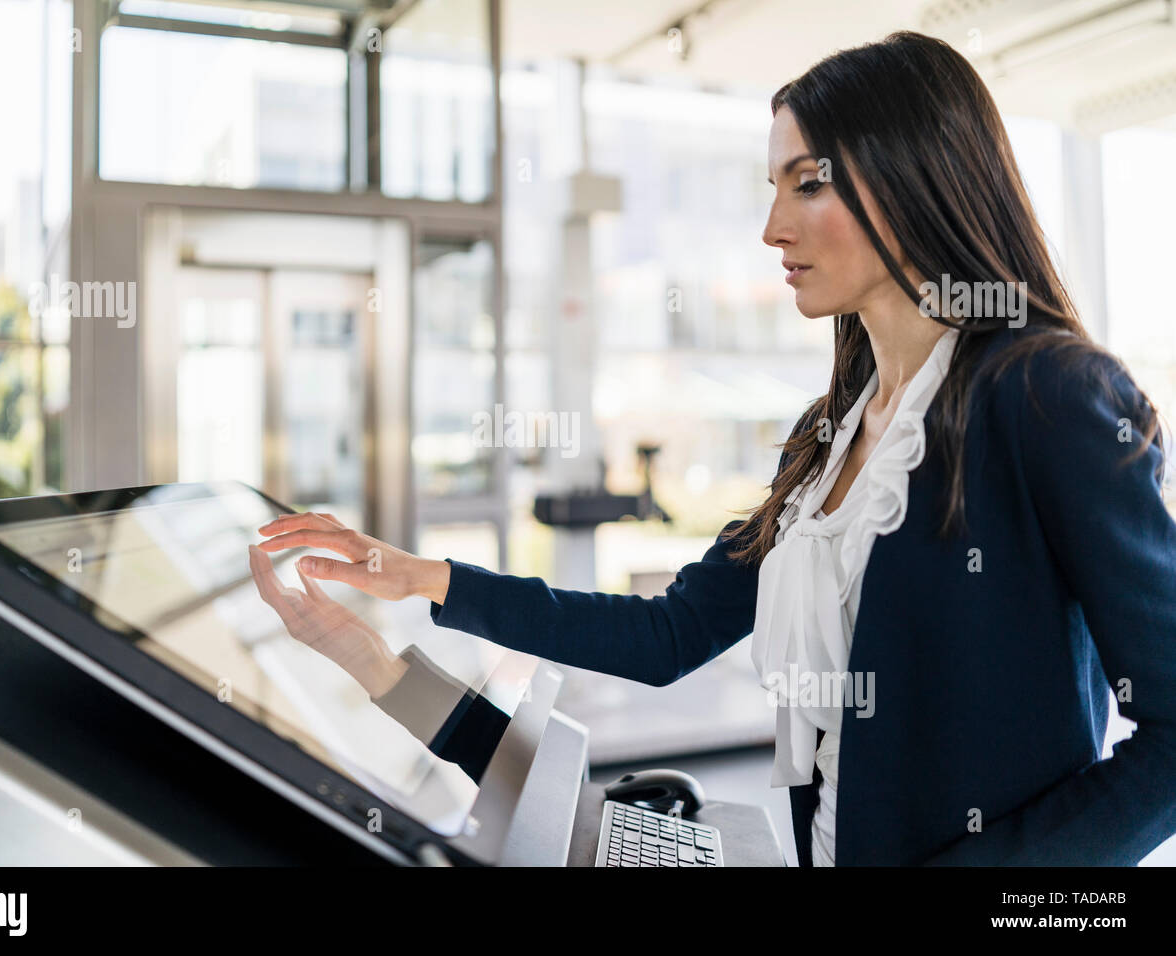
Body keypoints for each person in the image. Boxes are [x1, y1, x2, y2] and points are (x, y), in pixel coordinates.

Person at [257, 31, 1176, 866]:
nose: (774, 227)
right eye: (773, 188)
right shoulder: (832, 435)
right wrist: (421, 581)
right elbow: (670, 632)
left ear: (916, 174)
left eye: (808, 182)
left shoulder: (1045, 395)